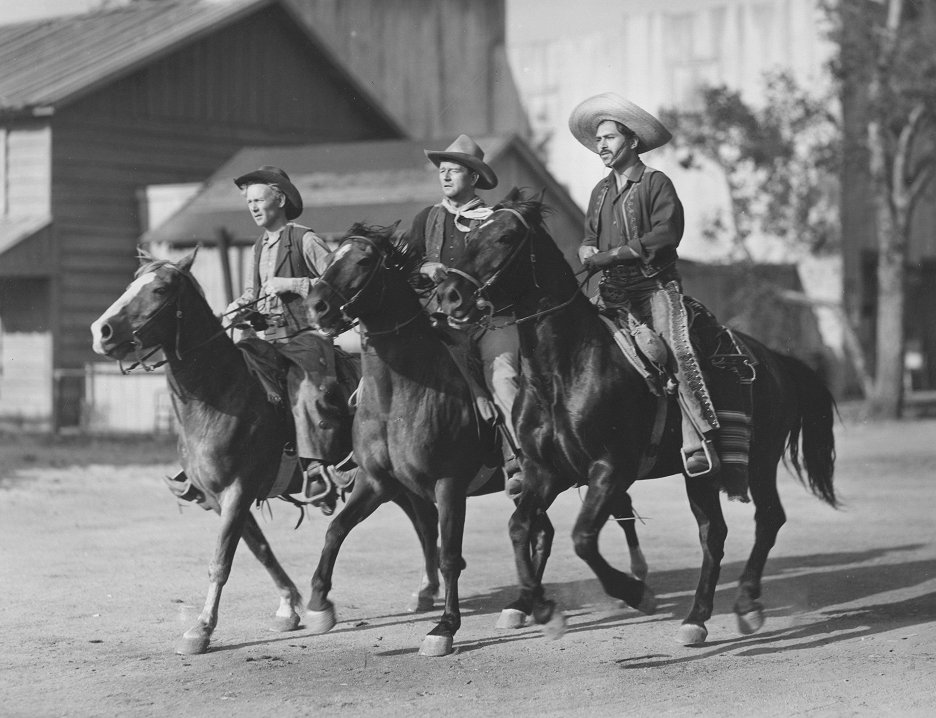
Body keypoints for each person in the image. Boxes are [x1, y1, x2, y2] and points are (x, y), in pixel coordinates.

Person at [568, 93, 720, 477]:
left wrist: (609, 256)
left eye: (609, 137)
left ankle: (696, 438)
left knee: (677, 350)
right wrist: (586, 248)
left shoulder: (655, 183)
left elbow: (666, 235)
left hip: (653, 287)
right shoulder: (599, 192)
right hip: (611, 291)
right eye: (598, 139)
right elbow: (589, 237)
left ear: (632, 140)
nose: (602, 145)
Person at [225, 166, 354, 513]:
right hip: (269, 339)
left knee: (306, 388)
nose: (253, 207)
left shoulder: (304, 239)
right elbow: (254, 293)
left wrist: (292, 284)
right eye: (249, 202)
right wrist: (238, 306)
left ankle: (316, 468)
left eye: (259, 200)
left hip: (307, 336)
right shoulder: (258, 246)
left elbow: (338, 283)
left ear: (280, 199)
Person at [407, 135, 525, 499]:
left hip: (489, 321)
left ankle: (519, 460)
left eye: (454, 171)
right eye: (442, 170)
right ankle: (366, 458)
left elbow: (512, 278)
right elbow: (404, 271)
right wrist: (423, 269)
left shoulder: (495, 221)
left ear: (473, 177)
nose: (444, 177)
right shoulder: (426, 218)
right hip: (438, 323)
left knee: (502, 378)